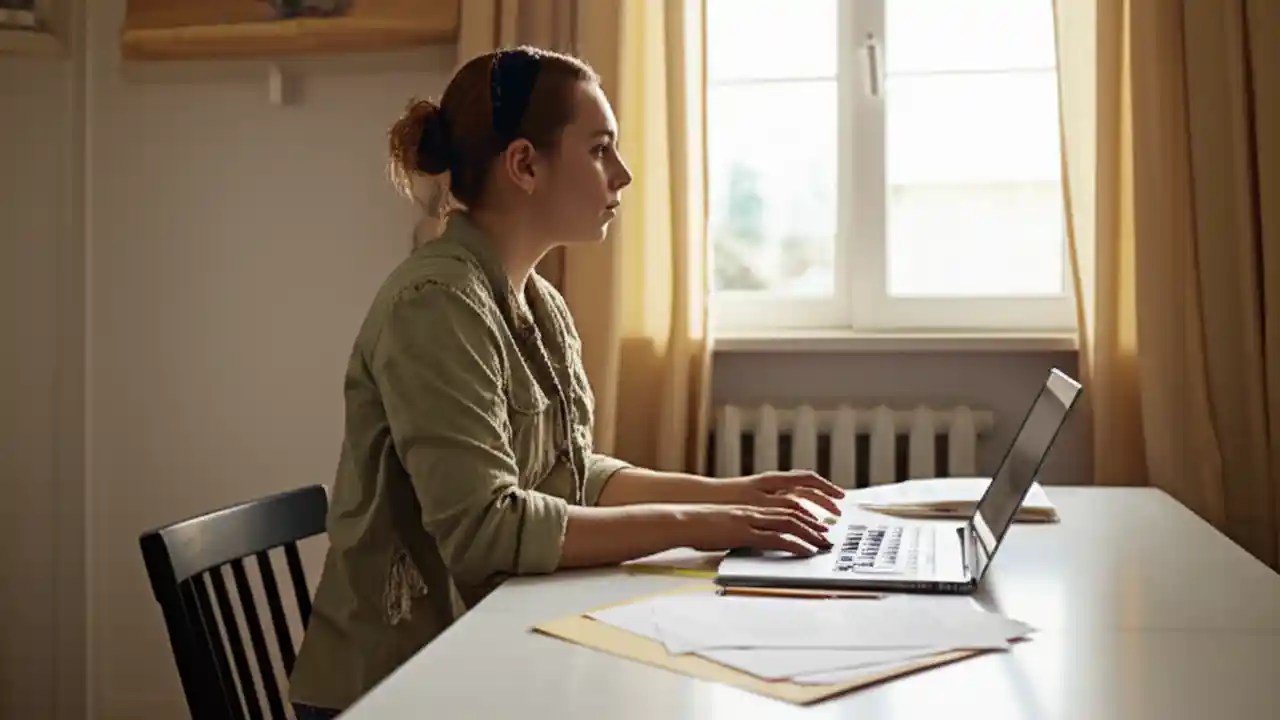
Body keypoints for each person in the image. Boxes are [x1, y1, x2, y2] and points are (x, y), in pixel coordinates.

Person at [288, 45, 844, 718]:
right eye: (600, 149)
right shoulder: (435, 304)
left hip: (478, 656)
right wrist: (705, 523)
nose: (624, 174)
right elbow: (489, 531)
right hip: (394, 689)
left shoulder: (537, 303)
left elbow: (570, 476)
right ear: (524, 164)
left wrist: (735, 496)